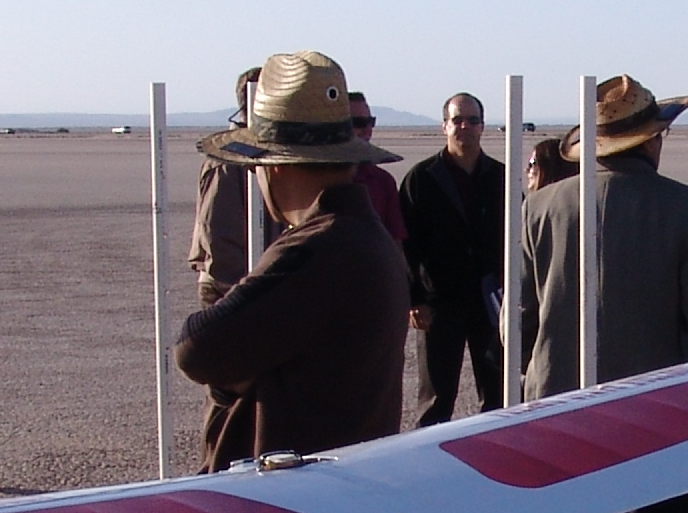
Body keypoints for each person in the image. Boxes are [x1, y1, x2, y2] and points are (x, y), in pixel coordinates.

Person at [520, 75, 688, 513]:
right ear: (653, 139)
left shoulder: (541, 206)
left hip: (555, 404)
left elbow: (518, 317)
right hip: (659, 408)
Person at [176, 53, 410, 463]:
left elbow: (194, 348)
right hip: (346, 484)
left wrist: (235, 378)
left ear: (275, 167)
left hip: (298, 499)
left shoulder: (317, 249)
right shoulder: (365, 237)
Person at [398, 93, 506, 424]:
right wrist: (413, 299)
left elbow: (520, 239)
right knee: (436, 398)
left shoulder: (502, 177)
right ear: (445, 126)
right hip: (438, 304)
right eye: (457, 120)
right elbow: (404, 244)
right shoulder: (422, 179)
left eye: (472, 120)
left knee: (498, 393)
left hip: (490, 303)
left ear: (482, 127)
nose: (465, 127)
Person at [188, 66, 265, 306]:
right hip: (230, 288)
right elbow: (216, 229)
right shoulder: (227, 160)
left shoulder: (264, 154)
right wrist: (241, 289)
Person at [344, 94, 410, 248]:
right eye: (359, 123)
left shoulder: (382, 182)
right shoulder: (316, 179)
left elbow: (396, 242)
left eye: (370, 122)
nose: (367, 130)